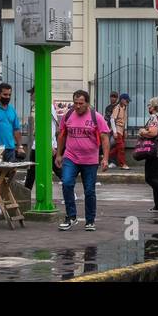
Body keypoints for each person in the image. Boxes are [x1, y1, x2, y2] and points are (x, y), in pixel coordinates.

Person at [55, 89, 110, 232]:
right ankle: (71, 217)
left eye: (81, 103)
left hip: (90, 160)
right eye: (75, 103)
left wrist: (105, 158)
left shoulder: (96, 117)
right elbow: (62, 136)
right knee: (67, 183)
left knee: (89, 191)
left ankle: (90, 220)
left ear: (87, 103)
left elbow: (105, 138)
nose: (77, 106)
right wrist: (59, 155)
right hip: (71, 157)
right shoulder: (68, 116)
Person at [108, 93, 130, 169]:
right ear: (122, 100)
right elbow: (112, 119)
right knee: (120, 148)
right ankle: (122, 164)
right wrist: (114, 132)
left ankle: (105, 155)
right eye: (126, 100)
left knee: (119, 147)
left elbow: (125, 120)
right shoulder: (117, 108)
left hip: (122, 130)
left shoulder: (124, 107)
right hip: (117, 130)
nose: (128, 102)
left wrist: (126, 130)